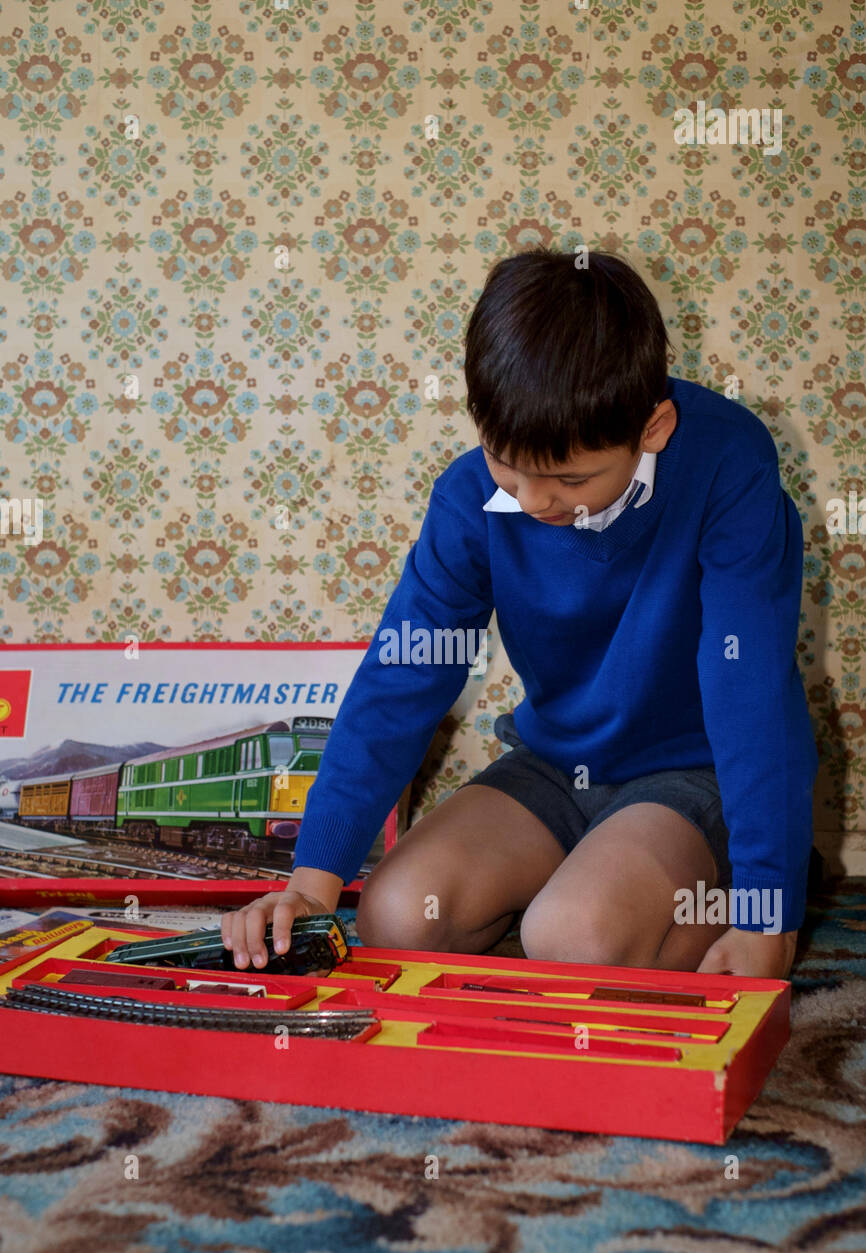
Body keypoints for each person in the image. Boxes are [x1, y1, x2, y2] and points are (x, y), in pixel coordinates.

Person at [221, 247, 818, 980]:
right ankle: (592, 879)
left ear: (654, 428)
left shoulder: (730, 464)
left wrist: (768, 913)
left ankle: (713, 879)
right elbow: (402, 678)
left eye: (571, 479)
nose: (536, 504)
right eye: (511, 469)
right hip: (558, 766)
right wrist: (311, 885)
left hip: (697, 771)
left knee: (577, 937)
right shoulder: (469, 497)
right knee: (396, 917)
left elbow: (750, 686)